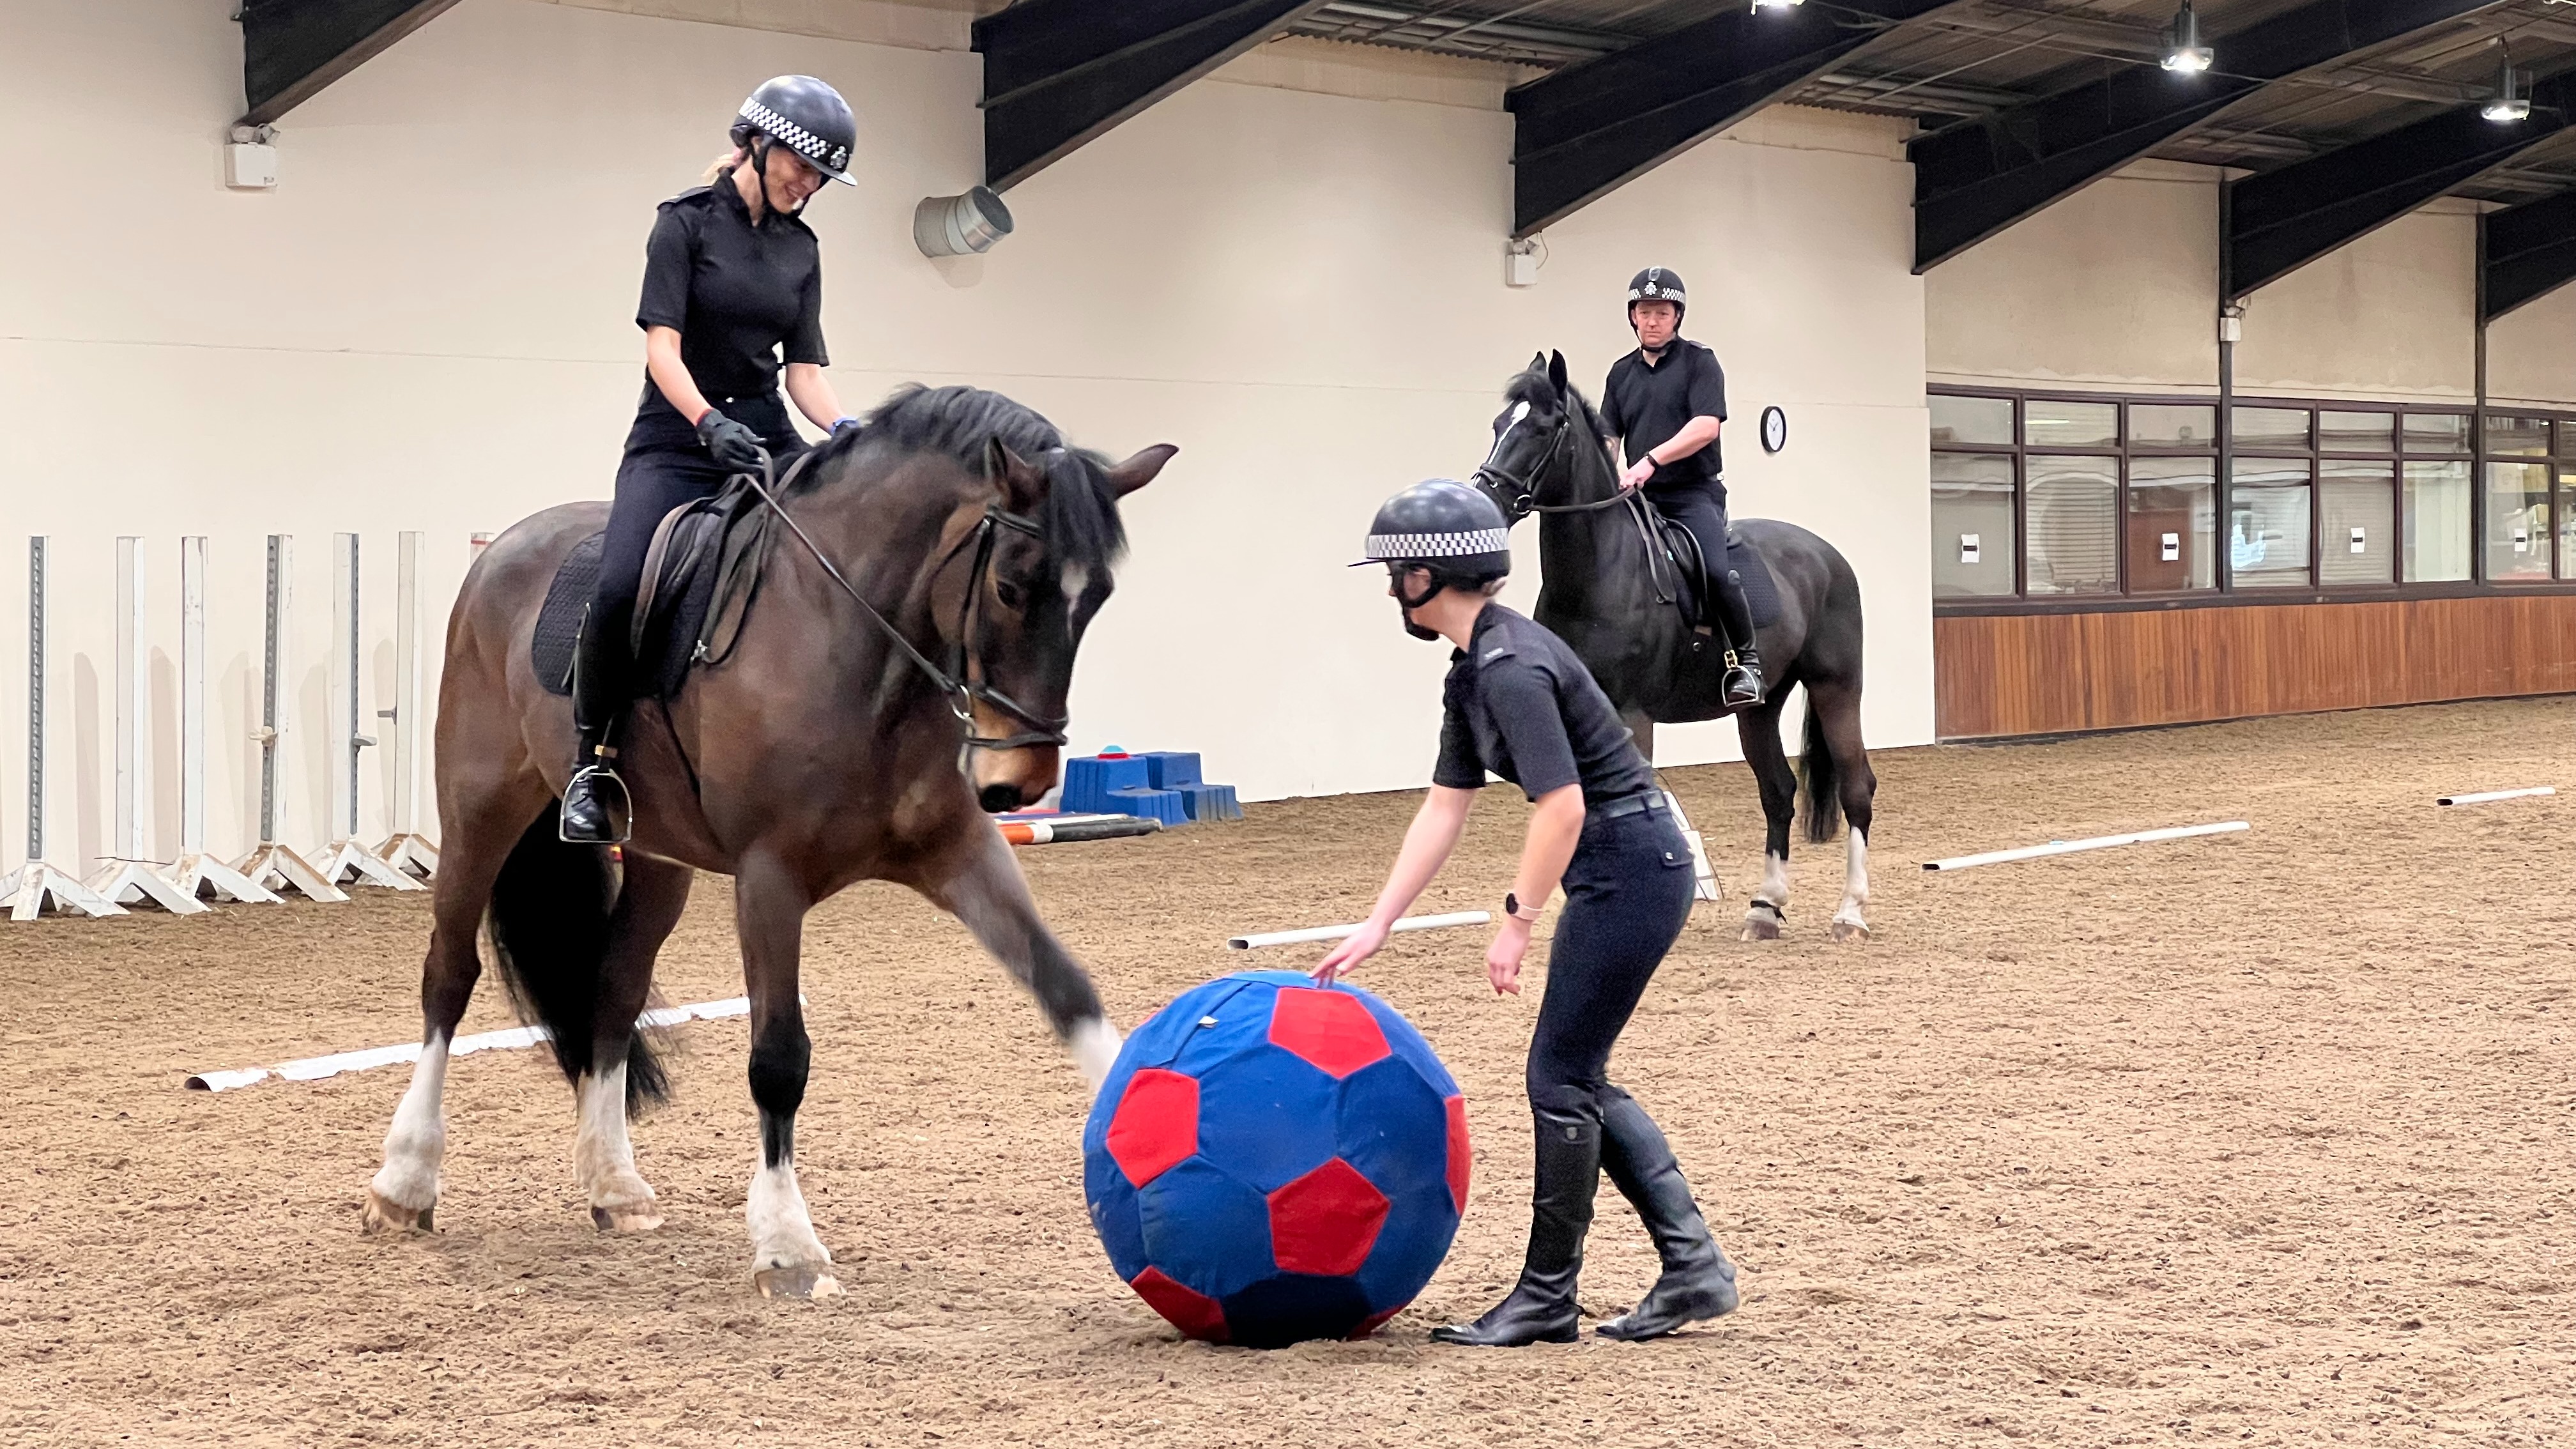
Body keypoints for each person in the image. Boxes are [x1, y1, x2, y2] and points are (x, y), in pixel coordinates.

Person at [1315, 479, 1742, 1346]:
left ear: (1427, 578)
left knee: (1559, 1077)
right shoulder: (1473, 668)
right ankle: (1690, 1264)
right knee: (1574, 1074)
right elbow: (1445, 807)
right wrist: (1378, 923)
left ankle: (1552, 1295)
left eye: (1395, 576)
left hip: (1631, 864)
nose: (1391, 593)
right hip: (1618, 866)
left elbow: (1563, 807)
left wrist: (1518, 920)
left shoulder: (1511, 666)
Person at [561, 75, 863, 844]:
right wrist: (705, 422)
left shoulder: (802, 249)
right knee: (621, 586)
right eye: (800, 165)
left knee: (845, 549)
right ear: (756, 144)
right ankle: (592, 763)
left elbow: (804, 374)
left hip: (763, 434)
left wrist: (844, 428)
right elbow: (662, 350)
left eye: (821, 177)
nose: (808, 185)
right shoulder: (685, 224)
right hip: (675, 439)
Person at [1599, 267, 1763, 709]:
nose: (1652, 321)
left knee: (1716, 572)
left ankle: (1746, 663)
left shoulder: (1699, 362)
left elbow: (1706, 426)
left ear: (1677, 317)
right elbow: (1610, 435)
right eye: (1644, 312)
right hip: (1640, 497)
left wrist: (1650, 461)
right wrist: (1606, 473)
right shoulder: (1620, 374)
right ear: (1633, 317)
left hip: (1692, 495)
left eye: (1662, 313)